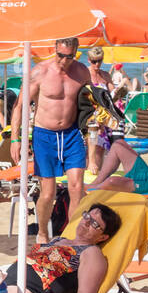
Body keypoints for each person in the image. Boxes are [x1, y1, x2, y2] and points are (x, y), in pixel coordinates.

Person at [10, 37, 91, 243]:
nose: (64, 60)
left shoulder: (82, 72)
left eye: (69, 56)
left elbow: (90, 104)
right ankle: (43, 232)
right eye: (60, 55)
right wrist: (15, 138)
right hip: (44, 135)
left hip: (72, 134)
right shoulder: (39, 72)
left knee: (76, 187)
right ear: (54, 50)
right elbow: (20, 106)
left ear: (76, 53)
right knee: (48, 193)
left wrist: (93, 133)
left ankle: (72, 237)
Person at [85, 47, 113, 174]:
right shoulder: (84, 74)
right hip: (89, 113)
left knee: (101, 147)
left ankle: (98, 175)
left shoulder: (105, 75)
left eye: (99, 61)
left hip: (104, 114)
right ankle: (88, 171)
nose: (96, 64)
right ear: (89, 60)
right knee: (90, 144)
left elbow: (112, 94)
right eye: (93, 61)